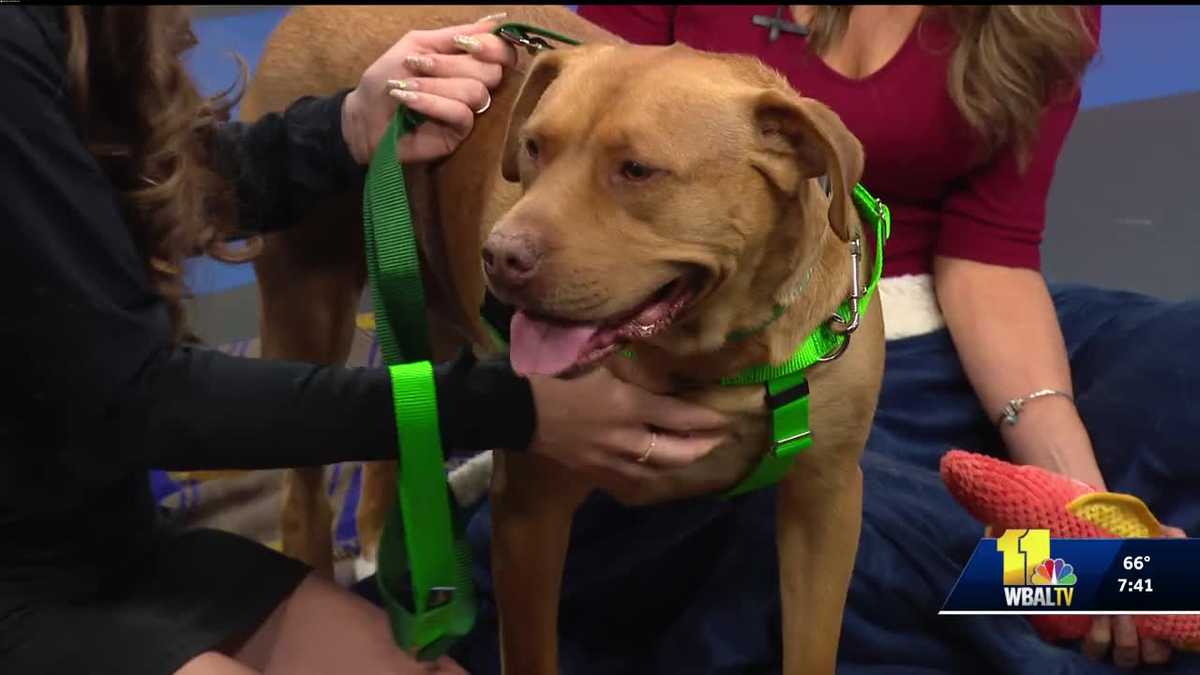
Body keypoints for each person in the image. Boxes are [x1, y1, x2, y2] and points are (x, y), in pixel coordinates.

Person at [446, 6, 1200, 675]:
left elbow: (989, 255)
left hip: (919, 316)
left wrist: (1082, 497)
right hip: (705, 341)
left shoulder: (1040, 16)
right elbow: (585, 115)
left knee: (1182, 354)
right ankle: (1136, 586)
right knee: (877, 535)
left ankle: (1123, 573)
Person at [0, 6, 730, 675]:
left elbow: (106, 200)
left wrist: (345, 126)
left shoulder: (61, 32)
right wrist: (510, 408)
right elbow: (141, 401)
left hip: (104, 538)